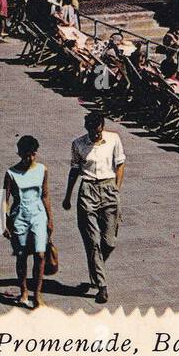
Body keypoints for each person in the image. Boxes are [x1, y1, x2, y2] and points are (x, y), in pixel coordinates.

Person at [62, 111, 125, 304]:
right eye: (91, 131)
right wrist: (68, 196)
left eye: (97, 131)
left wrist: (116, 187)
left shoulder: (114, 139)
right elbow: (74, 170)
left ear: (102, 127)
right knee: (93, 241)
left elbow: (120, 164)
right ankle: (102, 286)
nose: (94, 135)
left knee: (109, 241)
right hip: (87, 190)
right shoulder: (79, 144)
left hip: (108, 188)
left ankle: (95, 267)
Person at [3, 135, 53, 309]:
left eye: (32, 154)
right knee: (22, 255)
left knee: (40, 255)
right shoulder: (11, 173)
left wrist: (50, 219)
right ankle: (24, 291)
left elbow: (45, 195)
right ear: (19, 153)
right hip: (19, 217)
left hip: (38, 215)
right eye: (25, 155)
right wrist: (5, 223)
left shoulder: (42, 170)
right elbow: (5, 200)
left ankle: (37, 295)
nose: (29, 159)